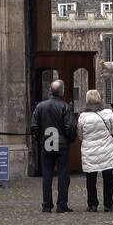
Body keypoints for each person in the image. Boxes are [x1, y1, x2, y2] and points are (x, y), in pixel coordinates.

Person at [31, 79, 77, 213]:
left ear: (50, 91)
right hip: (62, 144)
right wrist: (70, 139)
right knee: (63, 175)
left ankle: (47, 204)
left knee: (47, 175)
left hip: (46, 143)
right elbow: (69, 127)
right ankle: (62, 204)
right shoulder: (65, 107)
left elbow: (34, 126)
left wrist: (40, 139)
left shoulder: (40, 106)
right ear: (62, 91)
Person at [77, 89, 113, 212]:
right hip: (107, 150)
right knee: (108, 178)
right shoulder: (108, 113)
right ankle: (108, 204)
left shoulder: (82, 117)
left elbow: (80, 136)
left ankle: (92, 204)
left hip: (89, 151)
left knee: (90, 179)